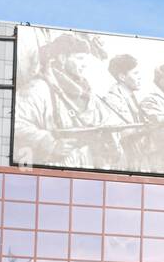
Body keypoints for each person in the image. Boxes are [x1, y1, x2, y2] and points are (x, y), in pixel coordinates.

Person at [13, 34, 110, 168]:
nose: (84, 65)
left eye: (85, 60)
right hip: (50, 171)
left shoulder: (87, 92)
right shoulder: (39, 88)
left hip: (85, 170)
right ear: (62, 58)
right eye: (80, 59)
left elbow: (104, 122)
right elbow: (16, 122)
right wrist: (49, 143)